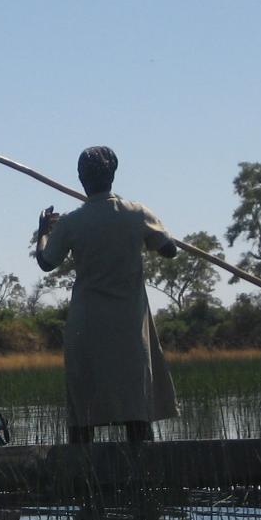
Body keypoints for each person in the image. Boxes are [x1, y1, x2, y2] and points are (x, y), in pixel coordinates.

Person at [35, 146, 178, 444]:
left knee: (83, 409)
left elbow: (46, 261)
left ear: (81, 178)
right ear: (113, 174)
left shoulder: (72, 222)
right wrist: (159, 232)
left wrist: (43, 231)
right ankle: (145, 472)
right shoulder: (137, 213)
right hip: (128, 328)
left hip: (86, 327)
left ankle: (82, 475)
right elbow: (169, 250)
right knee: (135, 407)